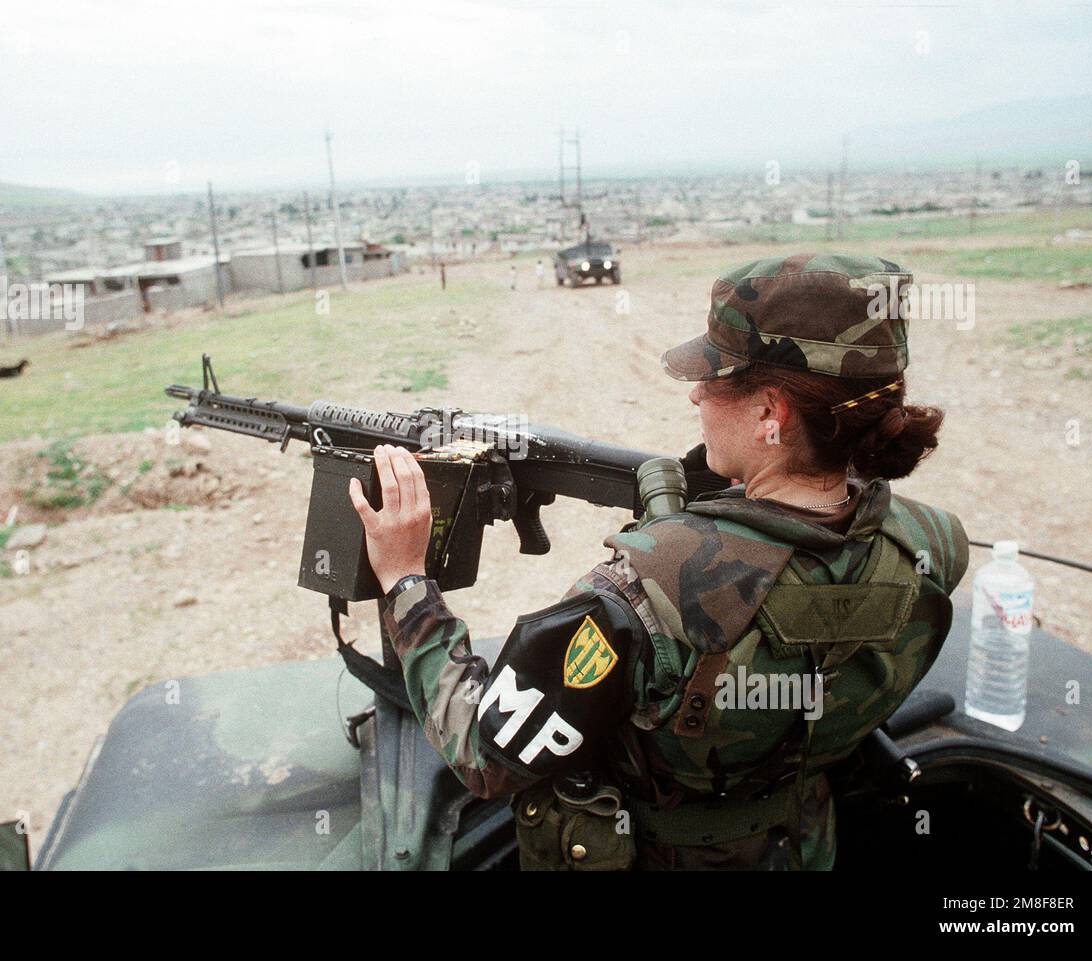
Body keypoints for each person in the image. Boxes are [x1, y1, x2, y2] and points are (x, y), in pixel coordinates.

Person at [348, 253, 969, 870]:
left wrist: (406, 580)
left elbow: (483, 756)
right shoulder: (934, 545)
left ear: (770, 413)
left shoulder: (640, 591)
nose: (696, 392)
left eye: (715, 377)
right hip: (802, 848)